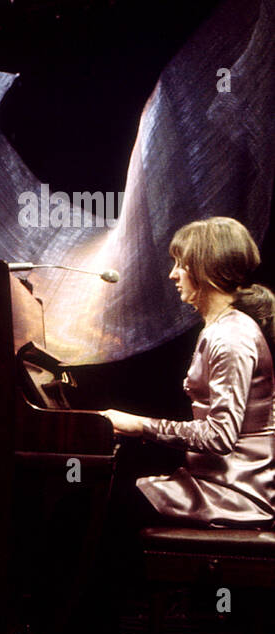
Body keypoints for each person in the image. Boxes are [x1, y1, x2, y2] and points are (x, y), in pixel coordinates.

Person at [103, 216, 274, 526]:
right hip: (215, 482)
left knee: (102, 507)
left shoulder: (230, 337)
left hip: (236, 493)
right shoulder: (221, 328)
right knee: (102, 499)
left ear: (204, 270)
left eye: (180, 265)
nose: (173, 275)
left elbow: (220, 436)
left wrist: (140, 425)